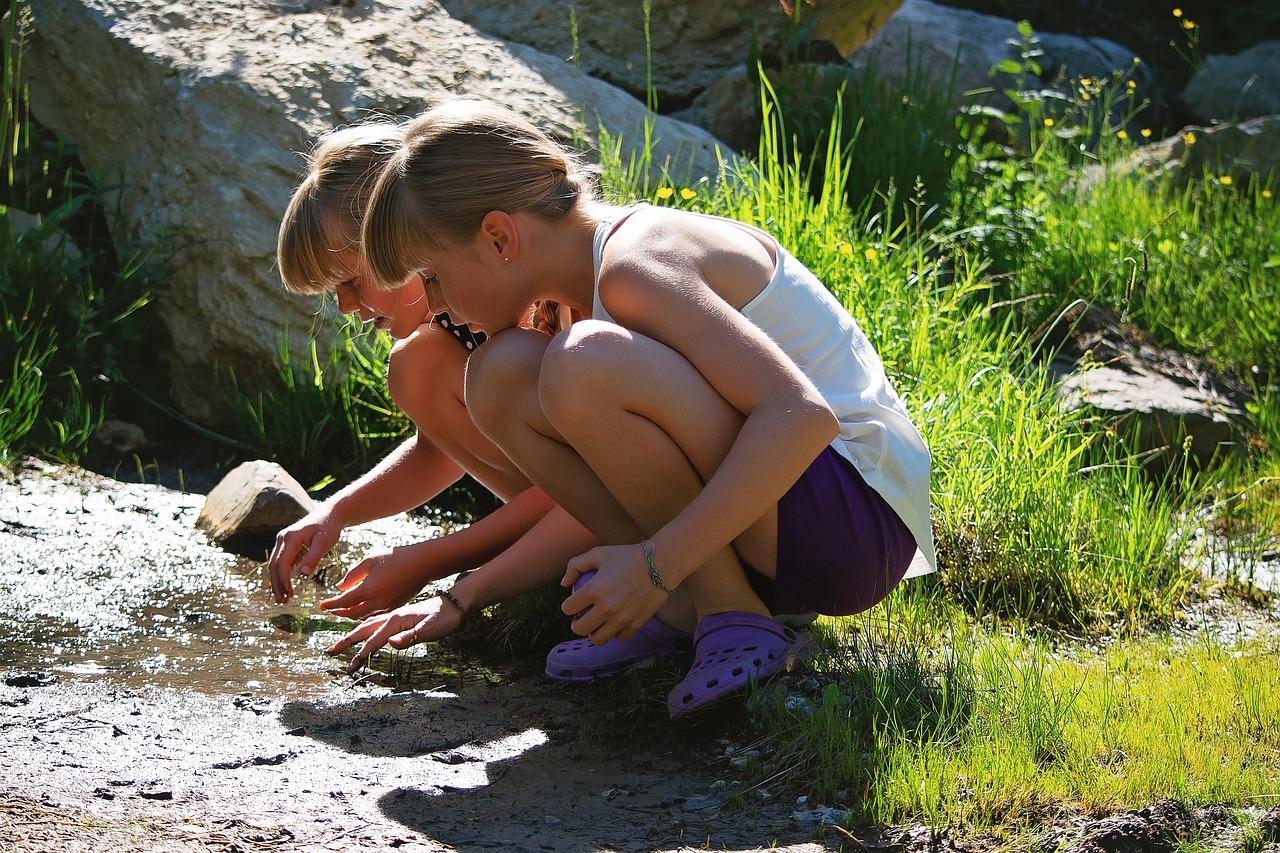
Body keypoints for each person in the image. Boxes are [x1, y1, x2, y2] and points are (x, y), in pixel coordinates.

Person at [354, 99, 937, 718]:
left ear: (499, 237)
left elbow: (801, 415)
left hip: (852, 527)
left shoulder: (636, 264)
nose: (435, 306)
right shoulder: (579, 292)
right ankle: (689, 611)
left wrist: (656, 563)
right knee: (498, 375)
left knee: (586, 362)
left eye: (434, 277)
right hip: (785, 523)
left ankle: (727, 614)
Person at [273, 122, 596, 674]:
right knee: (414, 368)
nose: (347, 307)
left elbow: (595, 480)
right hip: (583, 498)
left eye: (351, 281)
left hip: (620, 494)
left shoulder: (550, 302)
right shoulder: (452, 340)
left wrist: (434, 566)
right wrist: (336, 513)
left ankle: (564, 560)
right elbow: (437, 451)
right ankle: (542, 558)